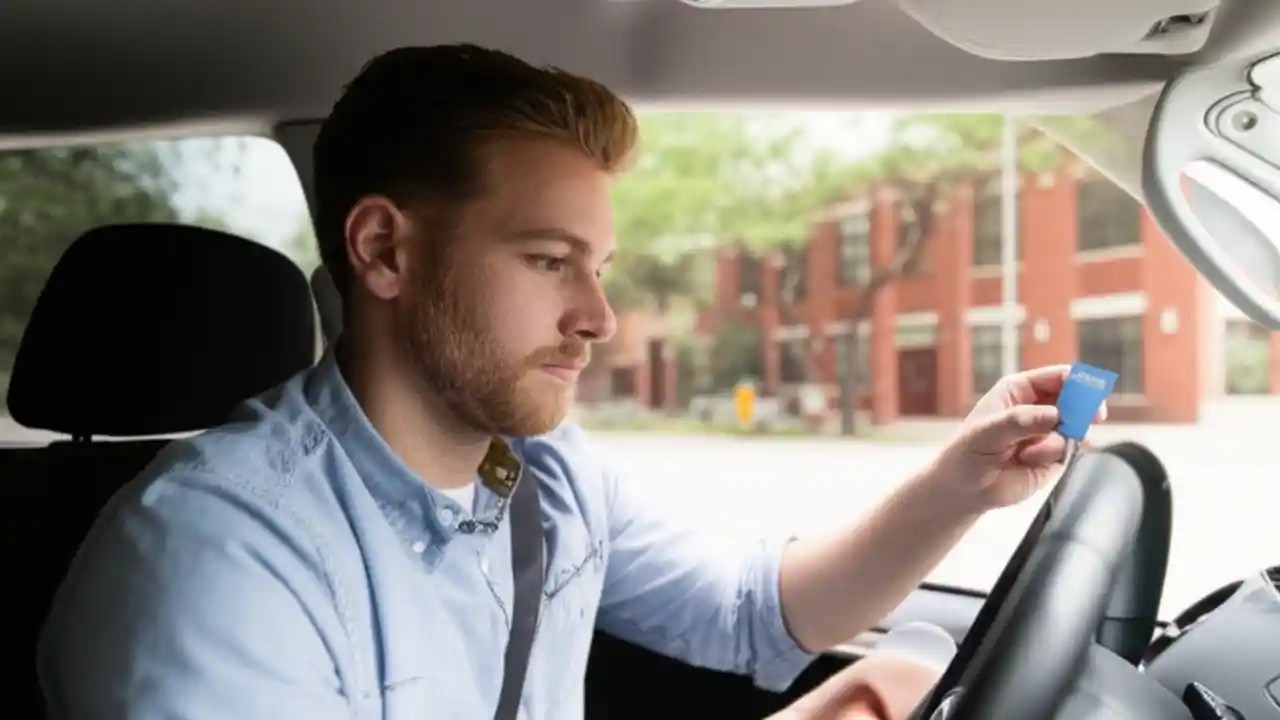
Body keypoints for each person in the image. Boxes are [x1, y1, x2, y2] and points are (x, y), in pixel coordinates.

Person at [37, 44, 1103, 720]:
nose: (597, 316)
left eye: (598, 269)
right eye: (548, 262)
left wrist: (959, 484)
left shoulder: (534, 474)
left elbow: (753, 613)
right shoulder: (215, 558)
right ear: (384, 252)